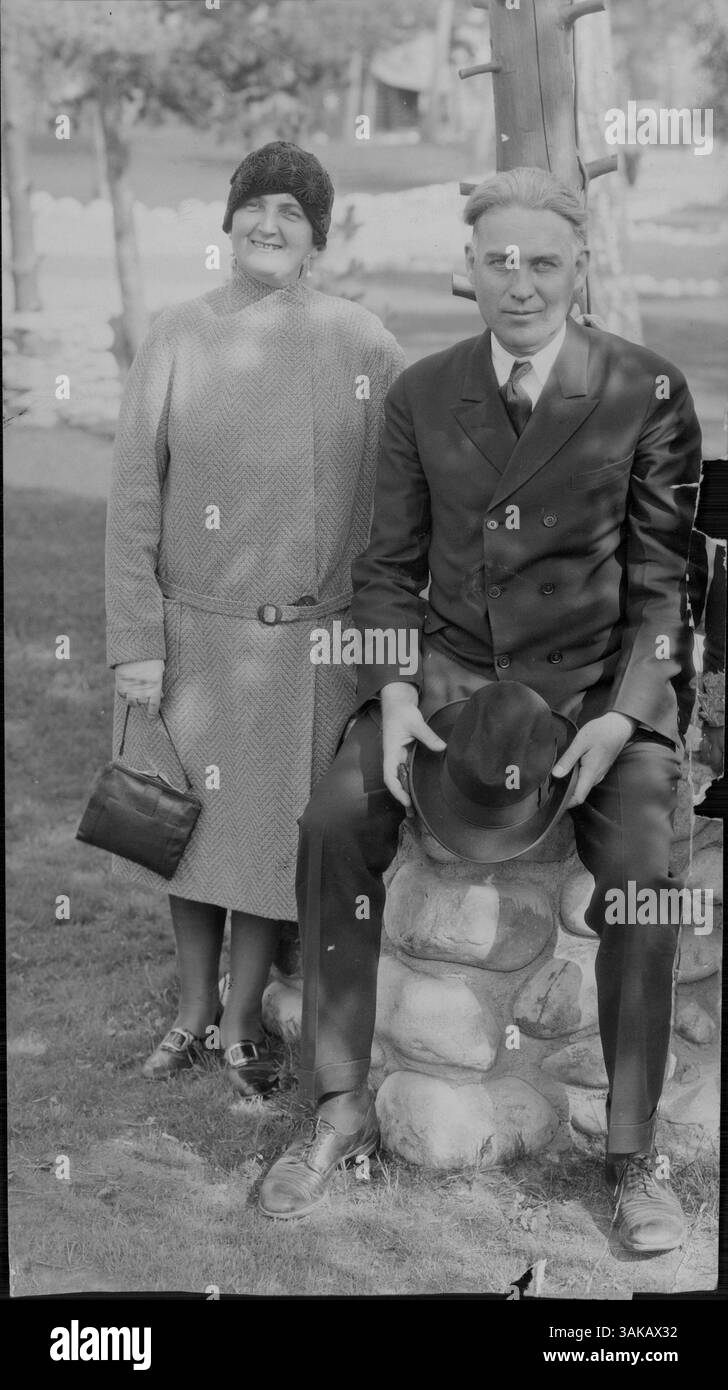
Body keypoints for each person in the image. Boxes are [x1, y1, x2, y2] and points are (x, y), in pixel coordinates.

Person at [258, 167, 703, 1252]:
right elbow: (382, 570)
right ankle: (337, 1107)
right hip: (448, 686)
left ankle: (632, 1156)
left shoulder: (643, 389)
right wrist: (395, 692)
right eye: (497, 260)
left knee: (645, 868)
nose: (518, 283)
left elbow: (663, 585)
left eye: (540, 261)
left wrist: (627, 712)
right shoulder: (420, 393)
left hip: (592, 695)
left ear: (577, 268)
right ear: (468, 269)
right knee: (329, 825)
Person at [106, 141, 405, 1097]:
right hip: (193, 636)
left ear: (318, 235)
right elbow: (130, 501)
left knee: (272, 841)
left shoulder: (362, 342)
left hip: (308, 649)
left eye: (293, 212)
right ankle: (189, 1014)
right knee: (184, 830)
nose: (270, 225)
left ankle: (241, 1022)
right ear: (229, 222)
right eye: (255, 208)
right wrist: (135, 647)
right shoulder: (179, 333)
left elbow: (415, 466)